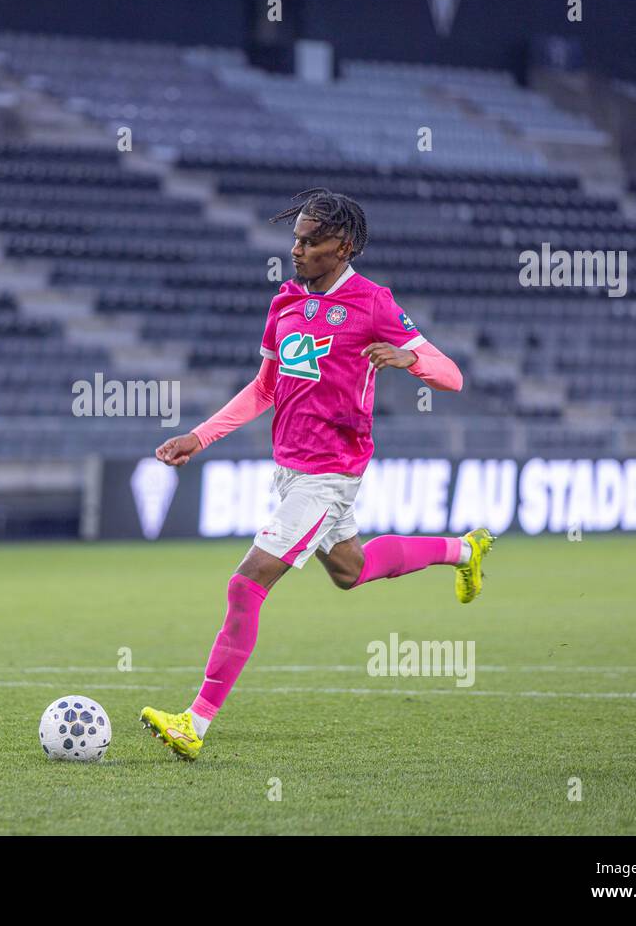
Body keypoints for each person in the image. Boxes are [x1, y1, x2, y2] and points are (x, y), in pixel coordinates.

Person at [140, 188, 494, 761]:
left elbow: (451, 375)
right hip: (289, 470)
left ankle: (194, 723)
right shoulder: (285, 303)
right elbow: (265, 389)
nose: (296, 249)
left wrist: (413, 360)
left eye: (309, 241)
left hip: (330, 474)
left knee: (245, 583)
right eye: (295, 238)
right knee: (349, 570)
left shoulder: (374, 303)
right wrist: (198, 436)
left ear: (343, 246)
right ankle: (462, 550)